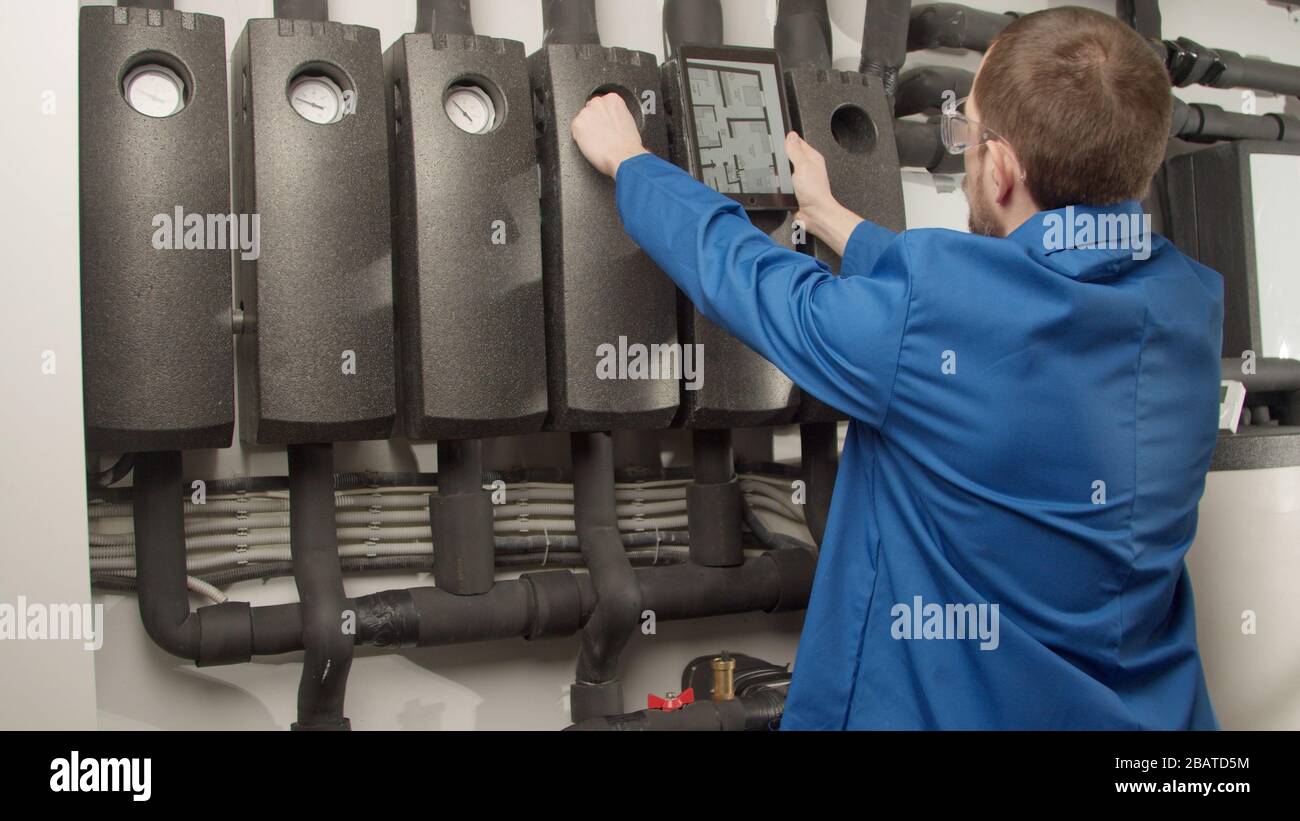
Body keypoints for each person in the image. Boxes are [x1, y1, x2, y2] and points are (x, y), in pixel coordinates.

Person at [570, 6, 1221, 729]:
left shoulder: (937, 314)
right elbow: (983, 294)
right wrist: (830, 217)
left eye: (966, 133)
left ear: (1000, 169)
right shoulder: (1186, 305)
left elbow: (754, 281)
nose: (965, 148)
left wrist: (629, 164)